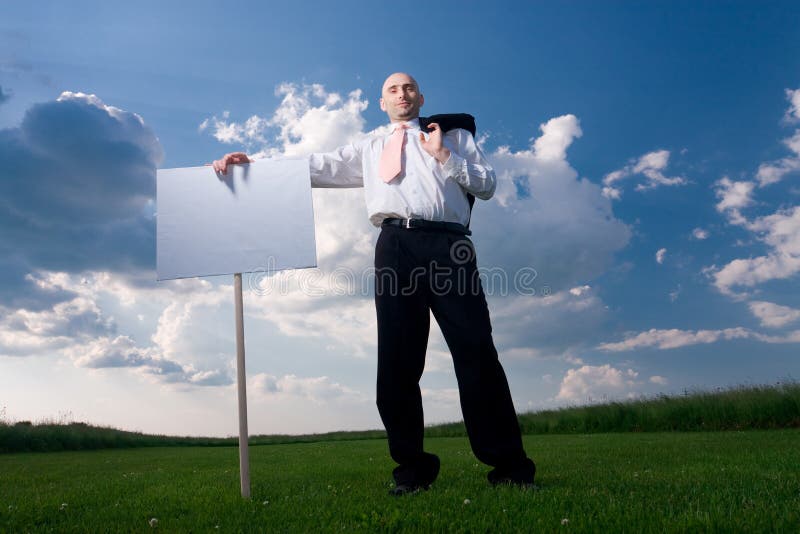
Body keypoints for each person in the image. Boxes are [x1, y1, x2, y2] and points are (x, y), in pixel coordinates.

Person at [214, 72, 536, 496]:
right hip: (395, 245)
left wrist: (443, 155)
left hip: (450, 245)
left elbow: (487, 185)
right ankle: (413, 470)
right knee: (398, 360)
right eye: (393, 90)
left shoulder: (453, 137)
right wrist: (253, 165)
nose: (402, 94)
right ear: (382, 103)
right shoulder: (370, 148)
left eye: (409, 88)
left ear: (421, 97)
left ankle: (509, 468)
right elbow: (316, 165)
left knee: (476, 351)